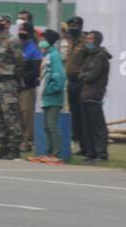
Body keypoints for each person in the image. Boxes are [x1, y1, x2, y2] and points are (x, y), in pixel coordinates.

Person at [0, 14, 24, 159]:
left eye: (0, 21)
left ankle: (15, 147)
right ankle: (4, 145)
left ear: (8, 24)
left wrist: (15, 79)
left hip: (8, 82)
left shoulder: (13, 40)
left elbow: (20, 61)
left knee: (11, 116)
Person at [79, 30, 112, 164]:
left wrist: (84, 75)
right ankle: (90, 153)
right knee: (87, 126)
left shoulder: (100, 56)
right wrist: (84, 75)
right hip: (85, 94)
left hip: (94, 95)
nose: (87, 41)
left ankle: (101, 154)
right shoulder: (89, 56)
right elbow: (81, 73)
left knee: (98, 126)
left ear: (97, 40)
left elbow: (91, 75)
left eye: (90, 39)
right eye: (86, 39)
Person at [35, 28, 66, 163]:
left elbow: (59, 76)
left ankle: (56, 154)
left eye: (43, 39)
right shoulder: (47, 55)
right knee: (47, 126)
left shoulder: (54, 55)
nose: (40, 41)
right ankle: (48, 152)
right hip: (46, 97)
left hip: (53, 97)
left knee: (52, 126)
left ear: (48, 41)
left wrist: (49, 89)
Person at [63, 15, 89, 156]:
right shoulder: (72, 42)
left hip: (81, 83)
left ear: (80, 26)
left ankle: (87, 146)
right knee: (75, 116)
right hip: (71, 83)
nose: (72, 29)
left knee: (83, 115)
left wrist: (84, 77)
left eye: (74, 26)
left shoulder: (85, 42)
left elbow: (91, 61)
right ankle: (80, 145)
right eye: (70, 26)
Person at [17, 21, 43, 153]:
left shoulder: (33, 48)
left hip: (27, 87)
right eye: (19, 30)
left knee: (27, 114)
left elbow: (35, 70)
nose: (20, 32)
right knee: (19, 114)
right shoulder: (19, 46)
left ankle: (27, 141)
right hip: (18, 87)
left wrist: (22, 77)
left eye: (23, 30)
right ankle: (20, 139)